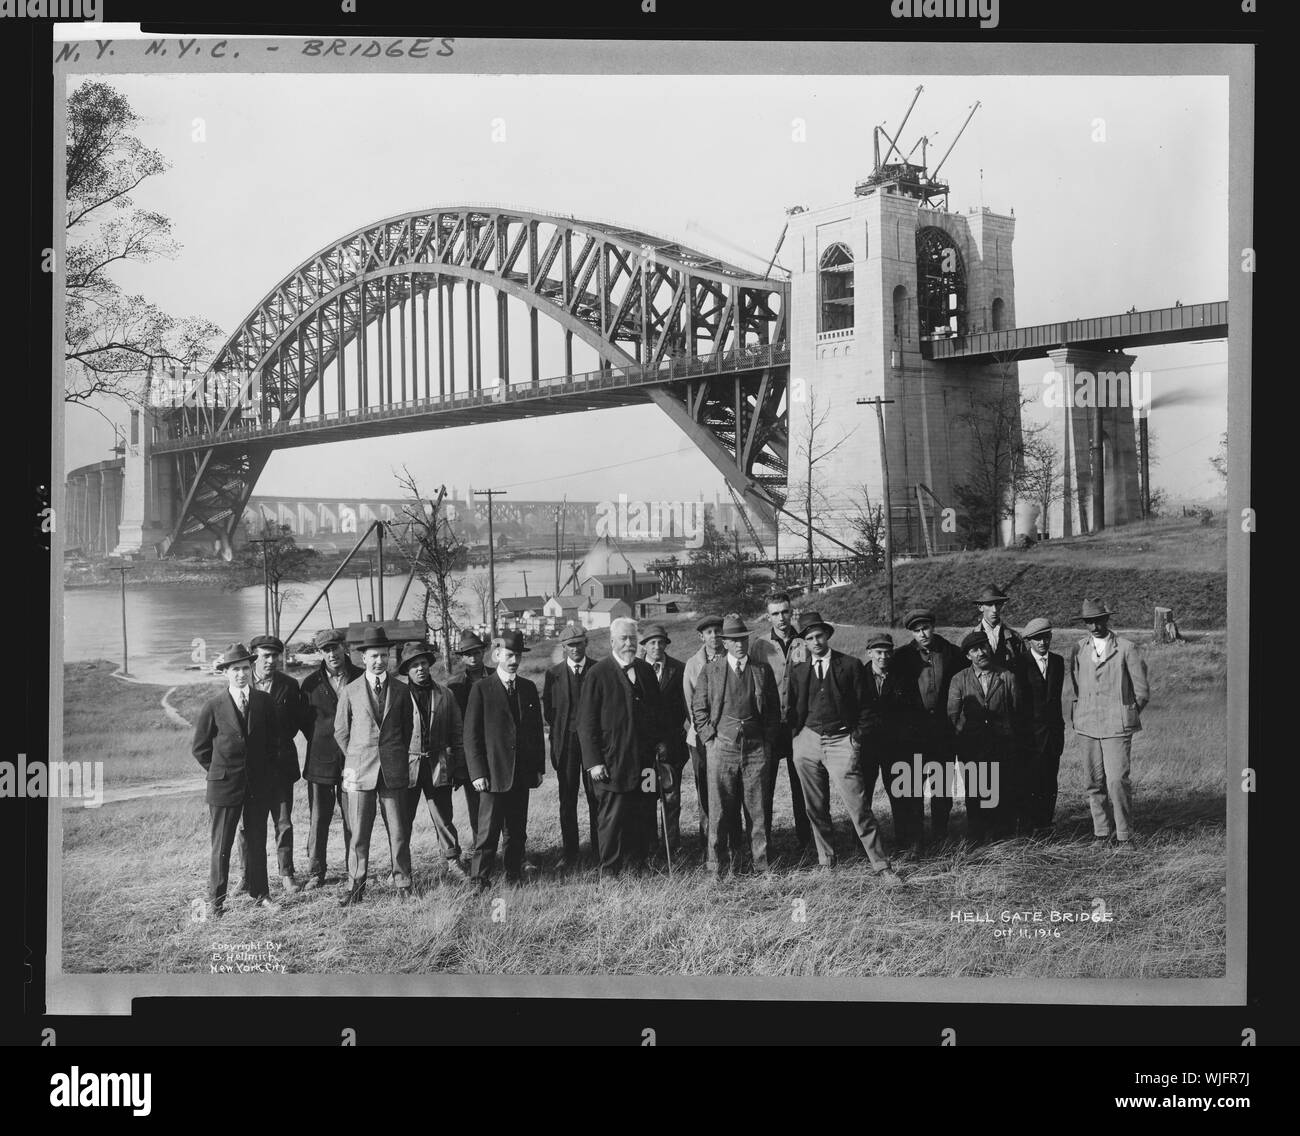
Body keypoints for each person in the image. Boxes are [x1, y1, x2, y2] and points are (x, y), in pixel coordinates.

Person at [787, 613, 902, 886]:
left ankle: (881, 865)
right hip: (808, 740)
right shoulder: (799, 669)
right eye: (809, 638)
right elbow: (792, 707)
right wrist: (798, 738)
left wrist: (856, 740)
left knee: (859, 806)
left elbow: (866, 709)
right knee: (814, 806)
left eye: (819, 636)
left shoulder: (848, 665)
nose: (815, 642)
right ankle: (826, 860)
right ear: (804, 641)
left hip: (841, 741)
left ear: (827, 636)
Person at [191, 643, 281, 914]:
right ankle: (216, 901)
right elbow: (201, 748)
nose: (241, 674)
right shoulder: (214, 705)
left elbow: (274, 743)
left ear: (251, 669)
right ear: (225, 673)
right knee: (222, 844)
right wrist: (220, 772)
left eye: (245, 668)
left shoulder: (264, 702)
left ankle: (261, 893)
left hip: (257, 786)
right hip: (224, 786)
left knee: (256, 840)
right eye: (235, 670)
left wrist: (263, 772)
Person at [690, 614, 781, 876]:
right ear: (725, 643)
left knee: (758, 810)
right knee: (718, 812)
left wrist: (767, 740)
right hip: (722, 748)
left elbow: (773, 712)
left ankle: (762, 866)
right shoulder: (711, 671)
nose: (739, 644)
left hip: (756, 749)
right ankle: (716, 867)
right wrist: (709, 738)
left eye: (743, 638)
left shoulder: (761, 670)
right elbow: (699, 708)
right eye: (733, 640)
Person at [579, 617, 667, 876]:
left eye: (632, 638)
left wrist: (659, 745)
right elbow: (586, 724)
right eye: (623, 638)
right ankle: (610, 871)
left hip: (644, 763)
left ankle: (637, 864)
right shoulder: (597, 674)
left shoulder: (645, 671)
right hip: (611, 762)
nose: (629, 643)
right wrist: (594, 762)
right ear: (612, 641)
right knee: (611, 817)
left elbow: (656, 714)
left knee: (642, 812)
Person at [333, 625, 413, 905]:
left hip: (392, 772)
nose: (380, 661)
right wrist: (356, 757)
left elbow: (406, 728)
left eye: (384, 655)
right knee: (358, 833)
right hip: (359, 772)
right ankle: (356, 886)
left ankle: (403, 882)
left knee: (399, 831)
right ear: (363, 658)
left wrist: (394, 757)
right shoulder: (351, 690)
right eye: (374, 656)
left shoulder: (402, 691)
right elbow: (340, 731)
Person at [464, 630, 546, 887]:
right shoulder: (482, 689)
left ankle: (514, 875)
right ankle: (480, 879)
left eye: (518, 655)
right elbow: (471, 735)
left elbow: (535, 732)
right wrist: (477, 773)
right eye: (509, 655)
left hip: (521, 774)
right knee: (487, 832)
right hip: (492, 774)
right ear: (497, 654)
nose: (514, 660)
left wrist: (538, 768)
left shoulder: (528, 688)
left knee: (517, 831)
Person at [1070, 599, 1149, 850]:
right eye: (1088, 621)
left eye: (1098, 620)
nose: (1094, 626)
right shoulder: (1079, 648)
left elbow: (1142, 692)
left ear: (1107, 619)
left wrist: (1125, 712)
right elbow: (1076, 687)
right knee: (1094, 782)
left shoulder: (1127, 648)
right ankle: (1101, 834)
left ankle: (1124, 834)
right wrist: (1082, 712)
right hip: (1087, 726)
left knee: (1117, 781)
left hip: (1117, 727)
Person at [235, 634, 310, 894]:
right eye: (265, 655)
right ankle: (246, 877)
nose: (271, 660)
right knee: (247, 826)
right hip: (249, 771)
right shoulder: (242, 683)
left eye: (275, 655)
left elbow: (296, 723)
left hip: (280, 766)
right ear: (254, 656)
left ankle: (287, 873)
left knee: (283, 823)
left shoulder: (289, 685)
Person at [892, 609, 968, 846]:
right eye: (916, 630)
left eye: (925, 628)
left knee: (942, 789)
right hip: (914, 734)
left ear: (933, 626)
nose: (922, 634)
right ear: (911, 633)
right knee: (913, 788)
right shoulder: (901, 657)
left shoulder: (953, 653)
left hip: (943, 733)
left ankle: (940, 834)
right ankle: (915, 838)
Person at [947, 631, 1028, 842]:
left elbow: (1018, 711)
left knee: (1002, 794)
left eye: (984, 647)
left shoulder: (1006, 676)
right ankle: (977, 841)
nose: (981, 652)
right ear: (967, 656)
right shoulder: (959, 679)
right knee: (975, 796)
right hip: (972, 748)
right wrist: (963, 743)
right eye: (974, 650)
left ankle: (1003, 841)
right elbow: (953, 715)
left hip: (1002, 747)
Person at [746, 592, 812, 850]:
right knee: (765, 788)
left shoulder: (804, 642)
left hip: (798, 727)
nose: (781, 618)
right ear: (768, 615)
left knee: (802, 787)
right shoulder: (760, 645)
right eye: (775, 613)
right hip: (770, 728)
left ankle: (806, 841)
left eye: (785, 612)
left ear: (792, 611)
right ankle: (765, 843)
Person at [399, 640, 469, 881]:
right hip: (407, 766)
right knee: (402, 819)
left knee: (443, 815)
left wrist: (458, 766)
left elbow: (457, 732)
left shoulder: (445, 694)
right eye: (414, 665)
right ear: (406, 670)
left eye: (423, 663)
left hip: (438, 764)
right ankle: (400, 868)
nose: (420, 669)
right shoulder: (397, 695)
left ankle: (453, 860)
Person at [299, 627, 362, 889]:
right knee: (318, 818)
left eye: (335, 647)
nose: (332, 654)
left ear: (344, 647)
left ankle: (354, 870)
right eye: (325, 650)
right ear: (320, 653)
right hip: (320, 761)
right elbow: (303, 722)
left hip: (354, 761)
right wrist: (322, 738)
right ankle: (316, 872)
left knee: (353, 817)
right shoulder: (310, 684)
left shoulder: (361, 677)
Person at [860, 633, 923, 859]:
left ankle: (907, 842)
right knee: (863, 794)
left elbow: (915, 712)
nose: (883, 657)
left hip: (896, 746)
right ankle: (864, 844)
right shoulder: (859, 675)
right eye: (878, 652)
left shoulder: (903, 678)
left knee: (901, 794)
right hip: (867, 746)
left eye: (887, 652)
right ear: (869, 653)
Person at [542, 622, 600, 868]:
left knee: (596, 797)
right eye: (569, 645)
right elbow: (549, 712)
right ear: (564, 648)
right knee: (567, 800)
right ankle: (571, 853)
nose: (575, 649)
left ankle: (600, 850)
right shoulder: (553, 674)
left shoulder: (599, 670)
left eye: (578, 644)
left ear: (586, 643)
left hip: (593, 745)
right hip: (566, 744)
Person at [639, 623, 689, 861]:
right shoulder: (635, 671)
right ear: (645, 646)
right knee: (648, 797)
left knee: (671, 798)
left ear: (666, 644)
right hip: (647, 753)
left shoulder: (679, 669)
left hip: (671, 750)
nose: (656, 647)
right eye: (651, 643)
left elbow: (687, 707)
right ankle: (649, 846)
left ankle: (672, 847)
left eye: (660, 642)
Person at [1015, 618, 1066, 836]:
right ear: (1028, 641)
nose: (1042, 642)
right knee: (1029, 780)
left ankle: (1046, 823)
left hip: (1053, 734)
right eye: (1037, 638)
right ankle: (1029, 825)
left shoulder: (1058, 662)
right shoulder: (1019, 664)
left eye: (1046, 637)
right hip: (1029, 736)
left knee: (1049, 780)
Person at [444, 629, 489, 853]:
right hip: (471, 752)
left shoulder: (495, 677)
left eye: (477, 652)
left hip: (496, 749)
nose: (473, 658)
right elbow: (452, 723)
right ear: (462, 657)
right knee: (476, 805)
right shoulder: (454, 686)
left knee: (505, 804)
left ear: (484, 653)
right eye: (468, 654)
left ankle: (515, 853)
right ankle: (482, 852)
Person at [682, 614, 724, 847]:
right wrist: (706, 732)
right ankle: (708, 842)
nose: (714, 636)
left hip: (727, 737)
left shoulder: (731, 657)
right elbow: (690, 705)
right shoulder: (693, 664)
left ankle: (730, 839)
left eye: (718, 631)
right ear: (701, 636)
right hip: (700, 737)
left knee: (727, 790)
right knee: (706, 792)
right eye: (709, 632)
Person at [969, 585, 1026, 670]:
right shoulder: (970, 637)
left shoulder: (1015, 638)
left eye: (998, 604)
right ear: (980, 607)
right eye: (989, 604)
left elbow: (1023, 669)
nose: (995, 609)